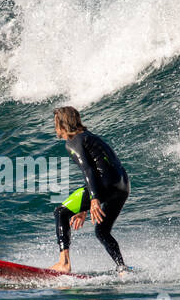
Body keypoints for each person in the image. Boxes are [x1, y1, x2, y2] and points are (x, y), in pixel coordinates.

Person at [50, 106, 130, 274]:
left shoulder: (73, 142)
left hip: (104, 184)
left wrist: (94, 199)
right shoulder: (90, 137)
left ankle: (64, 262)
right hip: (122, 186)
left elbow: (88, 170)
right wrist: (84, 208)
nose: (55, 127)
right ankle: (122, 267)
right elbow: (102, 168)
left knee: (60, 212)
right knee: (102, 231)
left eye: (56, 123)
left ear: (62, 125)